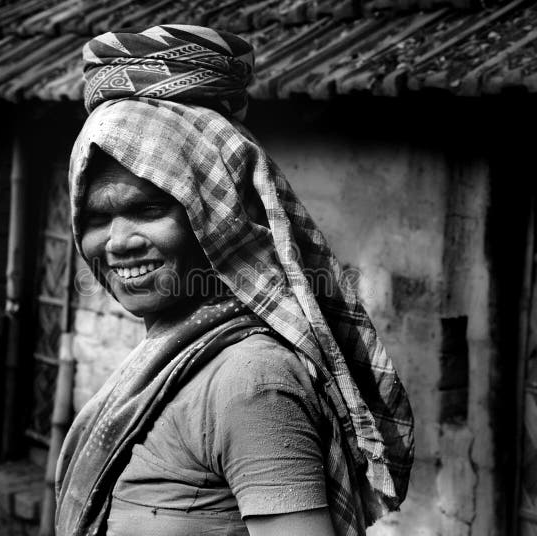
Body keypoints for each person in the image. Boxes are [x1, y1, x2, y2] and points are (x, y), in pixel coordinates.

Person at [55, 24, 414, 536]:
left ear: (219, 218)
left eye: (150, 209)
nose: (117, 242)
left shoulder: (251, 380)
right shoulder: (172, 357)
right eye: (96, 218)